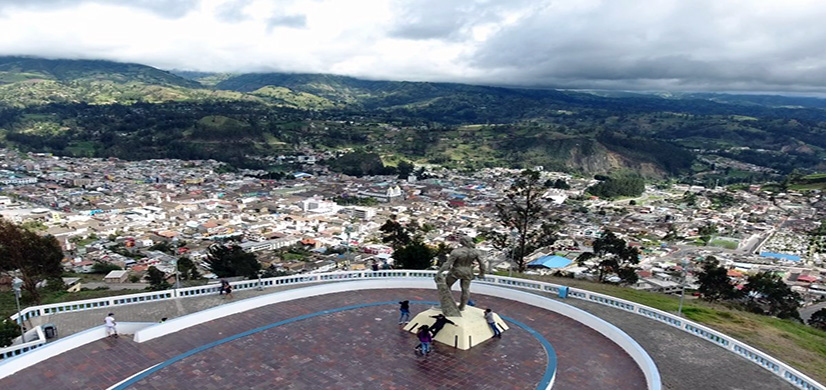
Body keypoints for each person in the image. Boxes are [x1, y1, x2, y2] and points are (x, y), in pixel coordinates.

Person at [435, 235, 486, 316]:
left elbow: (448, 263)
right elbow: (482, 264)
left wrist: (439, 272)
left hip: (456, 271)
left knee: (447, 287)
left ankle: (445, 305)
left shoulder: (457, 252)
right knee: (465, 289)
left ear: (462, 242)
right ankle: (462, 306)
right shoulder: (476, 252)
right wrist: (481, 273)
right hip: (468, 271)